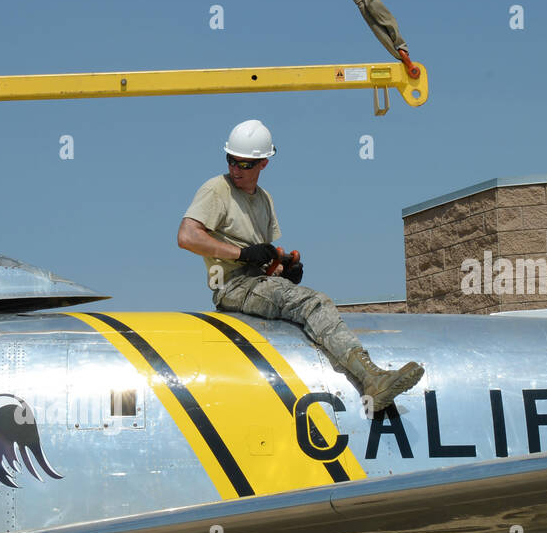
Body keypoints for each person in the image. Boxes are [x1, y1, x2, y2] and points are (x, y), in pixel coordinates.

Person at [177, 119, 424, 411]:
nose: (235, 169)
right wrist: (241, 254)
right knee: (313, 303)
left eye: (244, 164)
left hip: (256, 283)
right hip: (232, 286)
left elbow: (264, 260)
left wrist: (284, 270)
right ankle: (371, 377)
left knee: (305, 299)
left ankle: (368, 374)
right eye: (231, 161)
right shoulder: (216, 190)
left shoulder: (264, 200)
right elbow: (187, 236)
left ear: (262, 164)